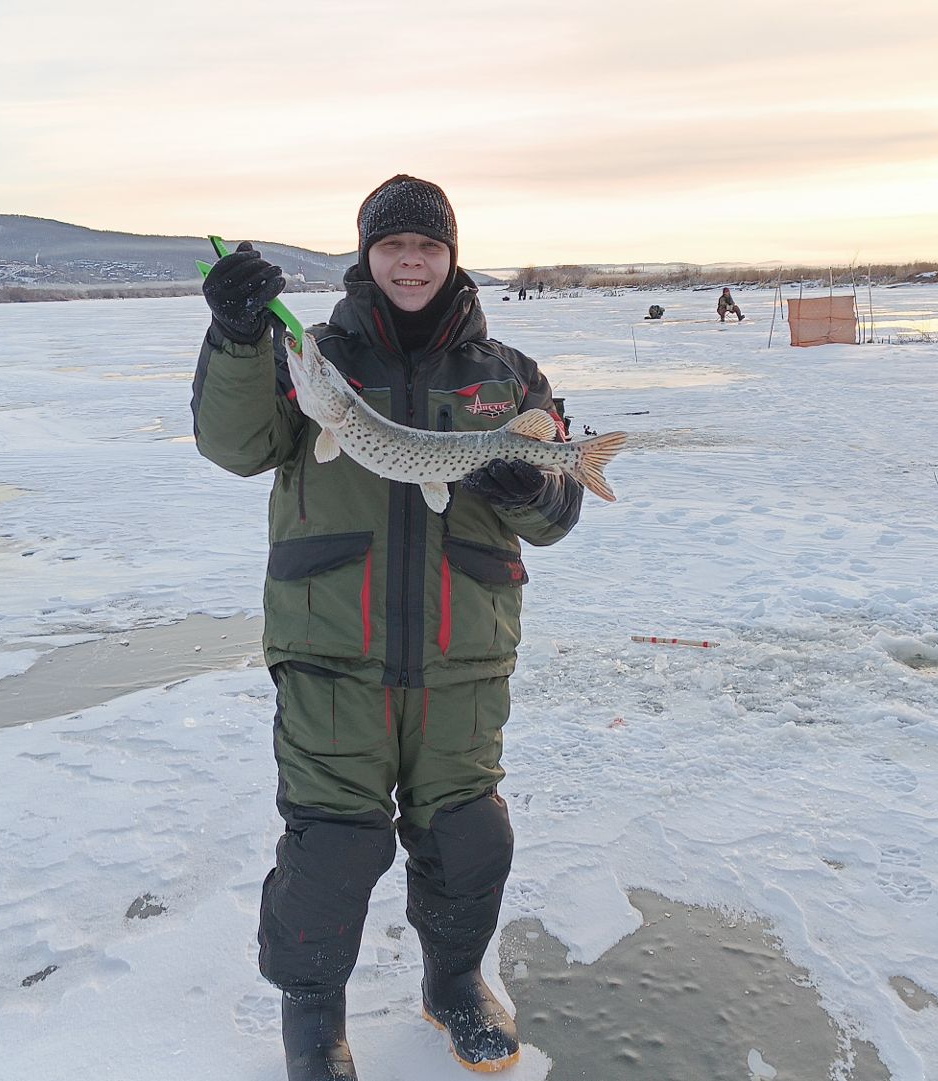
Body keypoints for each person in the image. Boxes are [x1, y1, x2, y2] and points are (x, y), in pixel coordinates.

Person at [193, 175, 583, 1080]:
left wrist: (539, 484)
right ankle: (313, 1022)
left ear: (451, 258)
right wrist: (238, 337)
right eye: (394, 246)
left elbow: (558, 515)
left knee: (467, 836)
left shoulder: (508, 378)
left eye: (429, 247)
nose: (411, 262)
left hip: (464, 655)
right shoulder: (314, 361)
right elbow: (234, 445)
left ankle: (454, 983)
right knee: (331, 843)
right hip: (333, 649)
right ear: (366, 256)